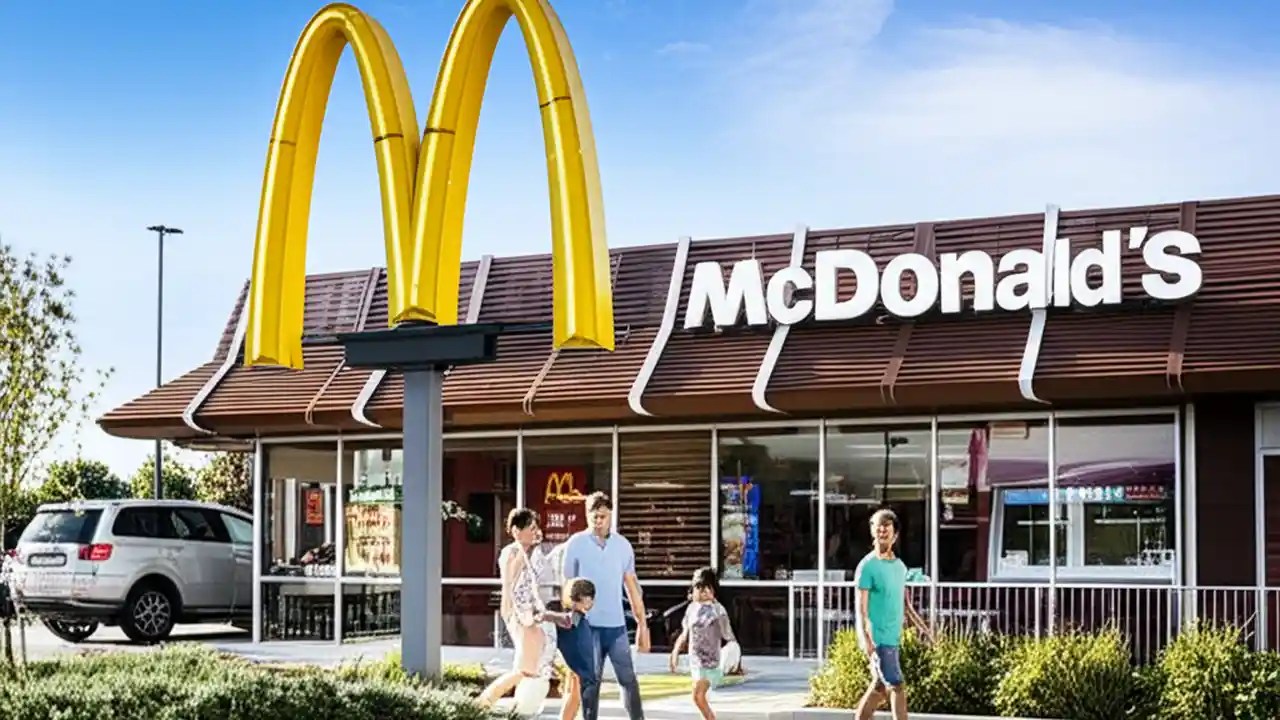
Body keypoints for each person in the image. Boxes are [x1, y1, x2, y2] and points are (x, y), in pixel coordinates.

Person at [561, 492, 649, 720]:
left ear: (611, 515)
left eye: (603, 516)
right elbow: (566, 590)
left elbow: (631, 587)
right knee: (591, 683)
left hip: (617, 626)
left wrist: (642, 625)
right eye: (594, 516)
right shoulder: (575, 545)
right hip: (587, 628)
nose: (598, 521)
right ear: (587, 515)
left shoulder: (623, 546)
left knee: (628, 680)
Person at [853, 508, 933, 720]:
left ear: (895, 534)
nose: (882, 530)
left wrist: (925, 629)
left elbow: (906, 605)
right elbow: (861, 607)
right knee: (897, 685)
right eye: (878, 526)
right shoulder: (867, 567)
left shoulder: (899, 567)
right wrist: (865, 638)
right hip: (879, 638)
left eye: (887, 526)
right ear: (872, 532)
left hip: (893, 636)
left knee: (880, 687)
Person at [478, 508, 557, 707]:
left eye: (535, 527)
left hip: (531, 613)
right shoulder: (511, 552)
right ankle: (484, 702)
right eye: (530, 528)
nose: (535, 532)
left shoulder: (534, 552)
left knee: (529, 666)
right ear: (516, 531)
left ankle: (517, 705)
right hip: (520, 614)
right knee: (525, 668)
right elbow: (509, 583)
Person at [669, 567, 736, 720]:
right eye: (699, 587)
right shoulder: (691, 609)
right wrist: (675, 652)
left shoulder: (718, 610)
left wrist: (734, 660)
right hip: (696, 661)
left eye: (707, 587)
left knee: (698, 696)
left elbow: (729, 636)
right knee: (699, 698)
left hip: (711, 662)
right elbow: (684, 633)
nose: (703, 592)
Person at [539, 577, 596, 720]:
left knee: (574, 692)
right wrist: (544, 616)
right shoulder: (573, 615)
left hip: (579, 661)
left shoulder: (578, 615)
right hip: (579, 662)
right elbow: (567, 621)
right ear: (581, 598)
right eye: (589, 598)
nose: (592, 602)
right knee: (575, 693)